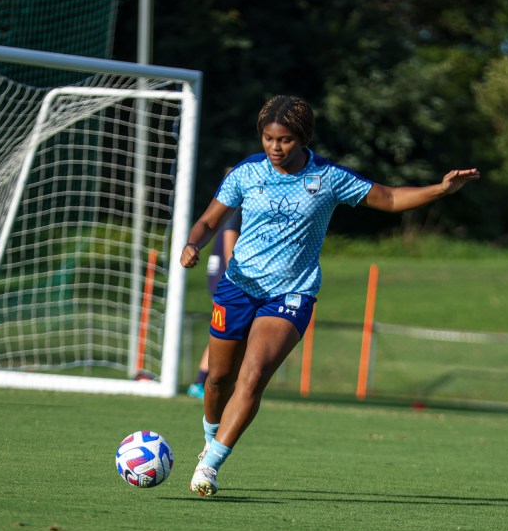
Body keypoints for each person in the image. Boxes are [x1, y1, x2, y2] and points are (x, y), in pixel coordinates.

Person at [179, 95, 480, 497]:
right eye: (268, 138)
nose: (274, 147)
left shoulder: (329, 178)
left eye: (283, 139)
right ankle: (209, 439)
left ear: (302, 138)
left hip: (291, 294)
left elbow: (388, 198)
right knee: (217, 379)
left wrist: (441, 189)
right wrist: (194, 244)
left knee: (251, 378)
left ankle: (211, 466)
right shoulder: (247, 172)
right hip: (238, 288)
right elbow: (208, 220)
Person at [187, 199, 241, 399]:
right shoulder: (238, 207)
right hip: (226, 276)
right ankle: (204, 383)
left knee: (230, 331)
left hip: (221, 275)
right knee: (229, 331)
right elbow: (230, 243)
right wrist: (235, 280)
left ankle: (202, 382)